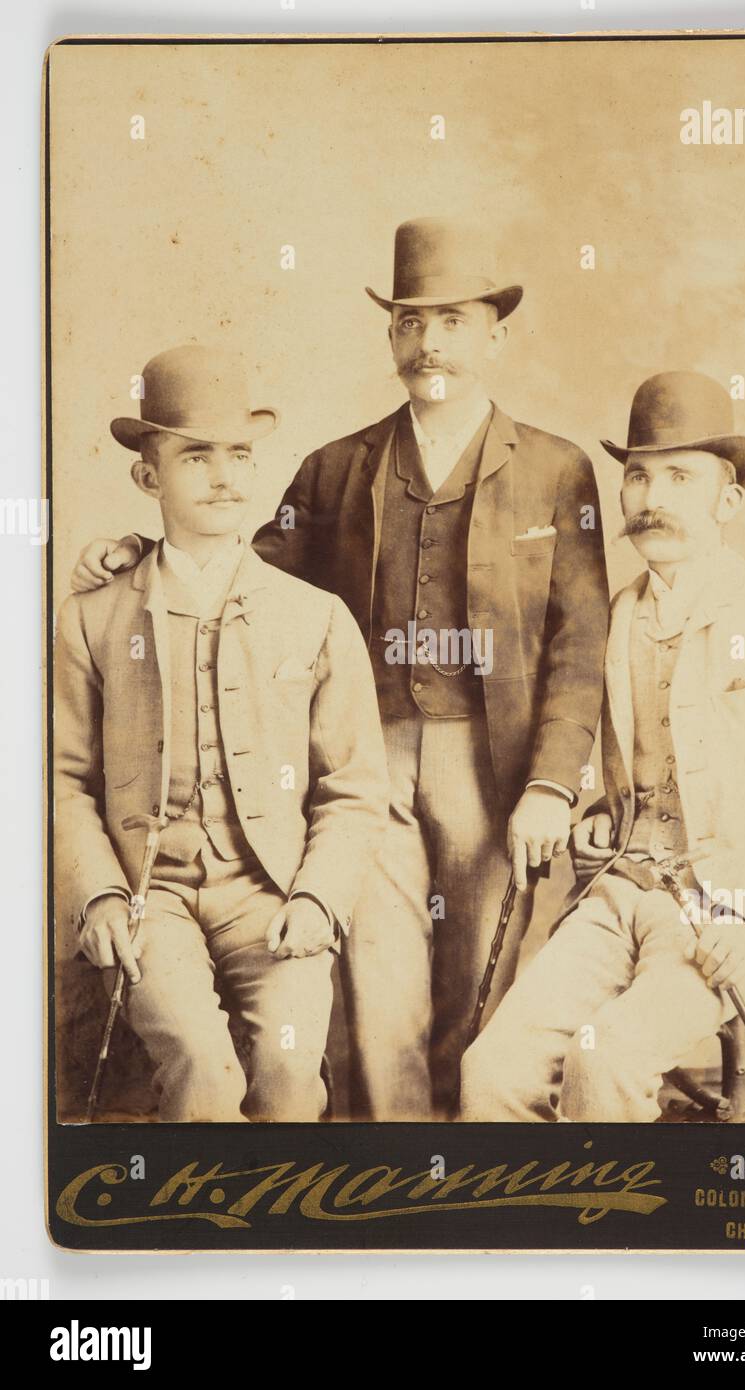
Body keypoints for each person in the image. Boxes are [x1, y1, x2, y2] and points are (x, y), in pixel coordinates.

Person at [70, 220, 610, 1119]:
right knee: (380, 990)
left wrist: (554, 783)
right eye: (408, 321)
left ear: (496, 335)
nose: (429, 342)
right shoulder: (335, 469)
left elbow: (581, 641)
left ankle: (473, 1184)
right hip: (370, 763)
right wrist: (134, 551)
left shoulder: (558, 470)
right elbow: (232, 571)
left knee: (481, 984)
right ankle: (396, 1181)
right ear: (391, 337)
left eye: (452, 319)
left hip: (497, 767)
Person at [460, 371, 745, 1123]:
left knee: (608, 1058)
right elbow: (646, 770)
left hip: (730, 913)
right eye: (637, 476)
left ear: (727, 501)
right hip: (618, 896)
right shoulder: (615, 616)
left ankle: (616, 1234)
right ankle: (520, 1234)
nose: (652, 498)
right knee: (489, 1070)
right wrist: (603, 813)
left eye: (680, 476)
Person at [56, 344, 388, 1122]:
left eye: (239, 453)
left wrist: (317, 897)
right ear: (148, 476)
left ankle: (278, 1231)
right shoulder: (94, 616)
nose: (224, 475)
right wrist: (99, 896)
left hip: (270, 891)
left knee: (289, 1067)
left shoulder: (315, 616)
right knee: (203, 1074)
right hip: (149, 895)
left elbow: (354, 787)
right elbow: (64, 778)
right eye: (195, 455)